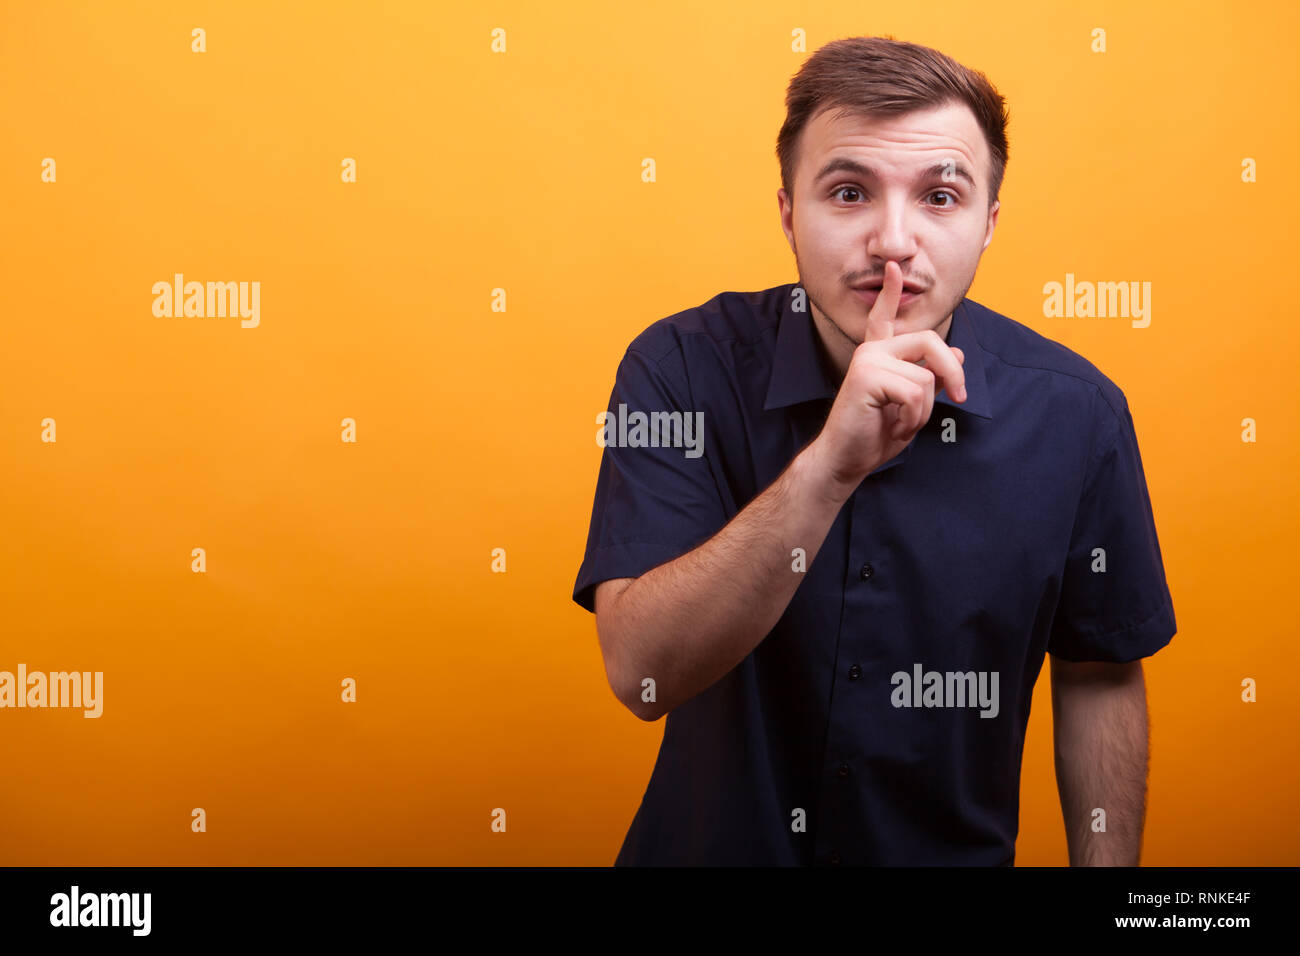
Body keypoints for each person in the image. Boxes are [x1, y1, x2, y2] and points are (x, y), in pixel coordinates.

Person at [572, 35, 1175, 866]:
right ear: (788, 211)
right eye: (849, 192)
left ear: (989, 223)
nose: (894, 242)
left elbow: (1100, 672)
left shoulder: (1080, 415)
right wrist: (829, 469)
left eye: (940, 196)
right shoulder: (679, 369)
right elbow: (641, 673)